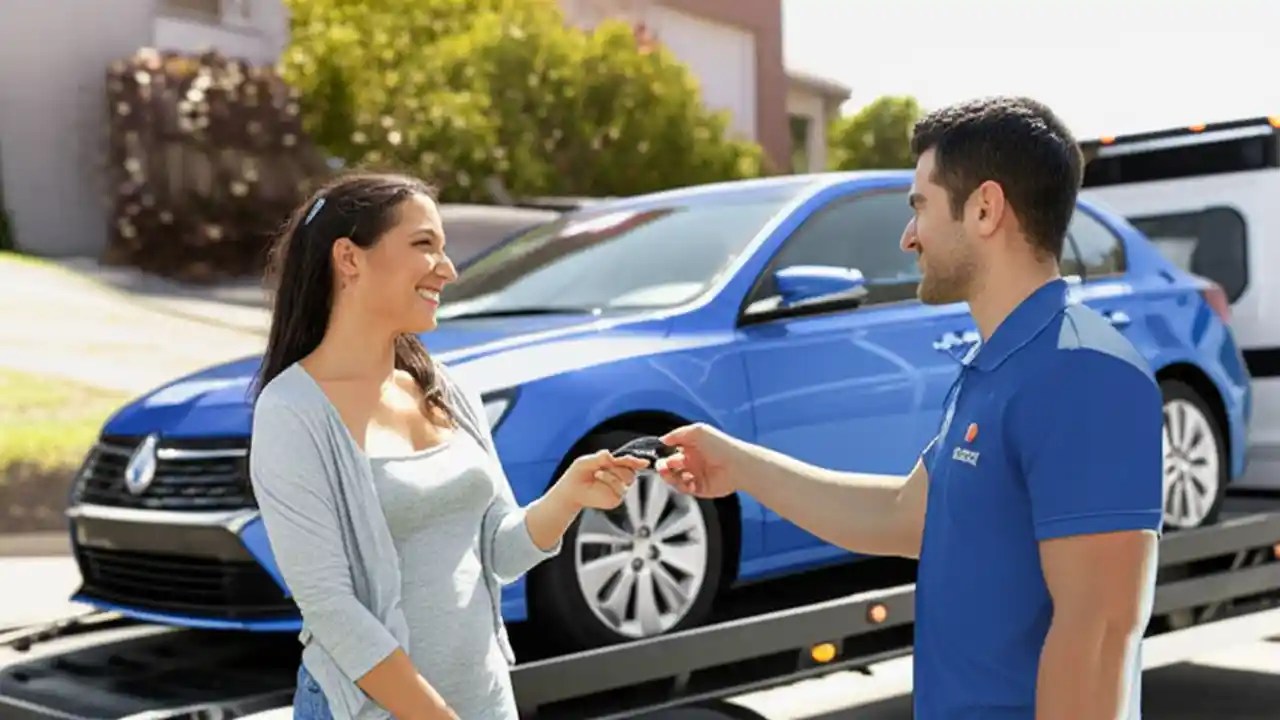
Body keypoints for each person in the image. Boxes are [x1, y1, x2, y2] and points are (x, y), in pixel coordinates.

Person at [655, 96, 1163, 720]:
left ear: (984, 208)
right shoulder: (993, 367)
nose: (908, 235)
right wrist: (739, 466)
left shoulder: (1086, 372)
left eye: (919, 206)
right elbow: (906, 514)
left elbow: (1100, 637)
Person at [247, 171, 649, 720]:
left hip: (484, 701)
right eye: (424, 245)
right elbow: (332, 609)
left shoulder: (445, 388)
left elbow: (500, 553)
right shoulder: (292, 410)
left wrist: (569, 496)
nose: (449, 268)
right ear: (349, 259)